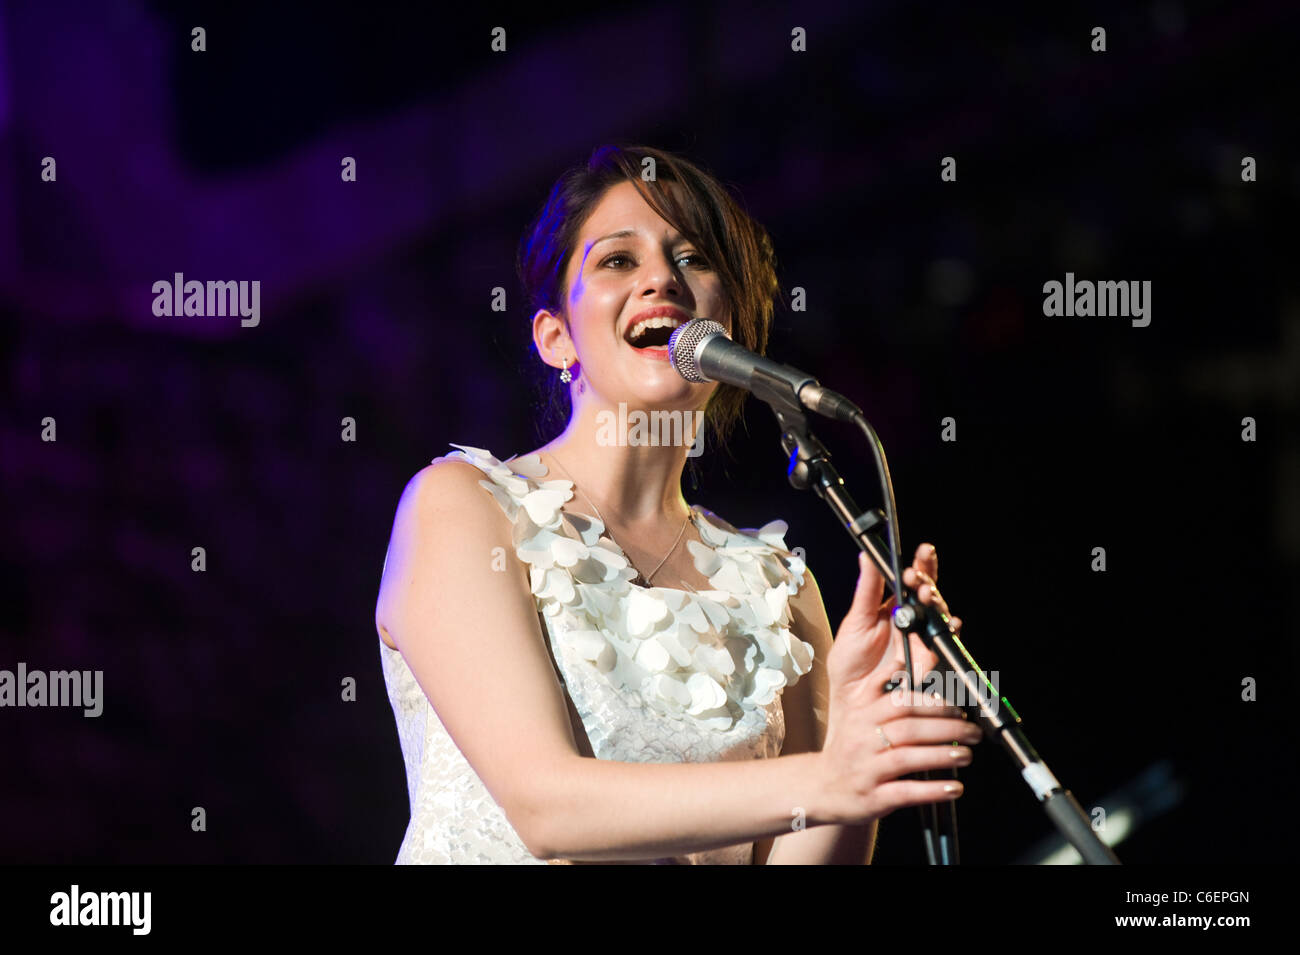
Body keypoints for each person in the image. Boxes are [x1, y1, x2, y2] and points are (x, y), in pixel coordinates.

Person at [374, 144, 979, 864]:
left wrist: (861, 732)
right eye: (618, 261)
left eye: (692, 258)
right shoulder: (465, 507)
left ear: (731, 326)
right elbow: (545, 806)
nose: (662, 278)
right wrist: (827, 775)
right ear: (555, 336)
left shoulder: (778, 591)